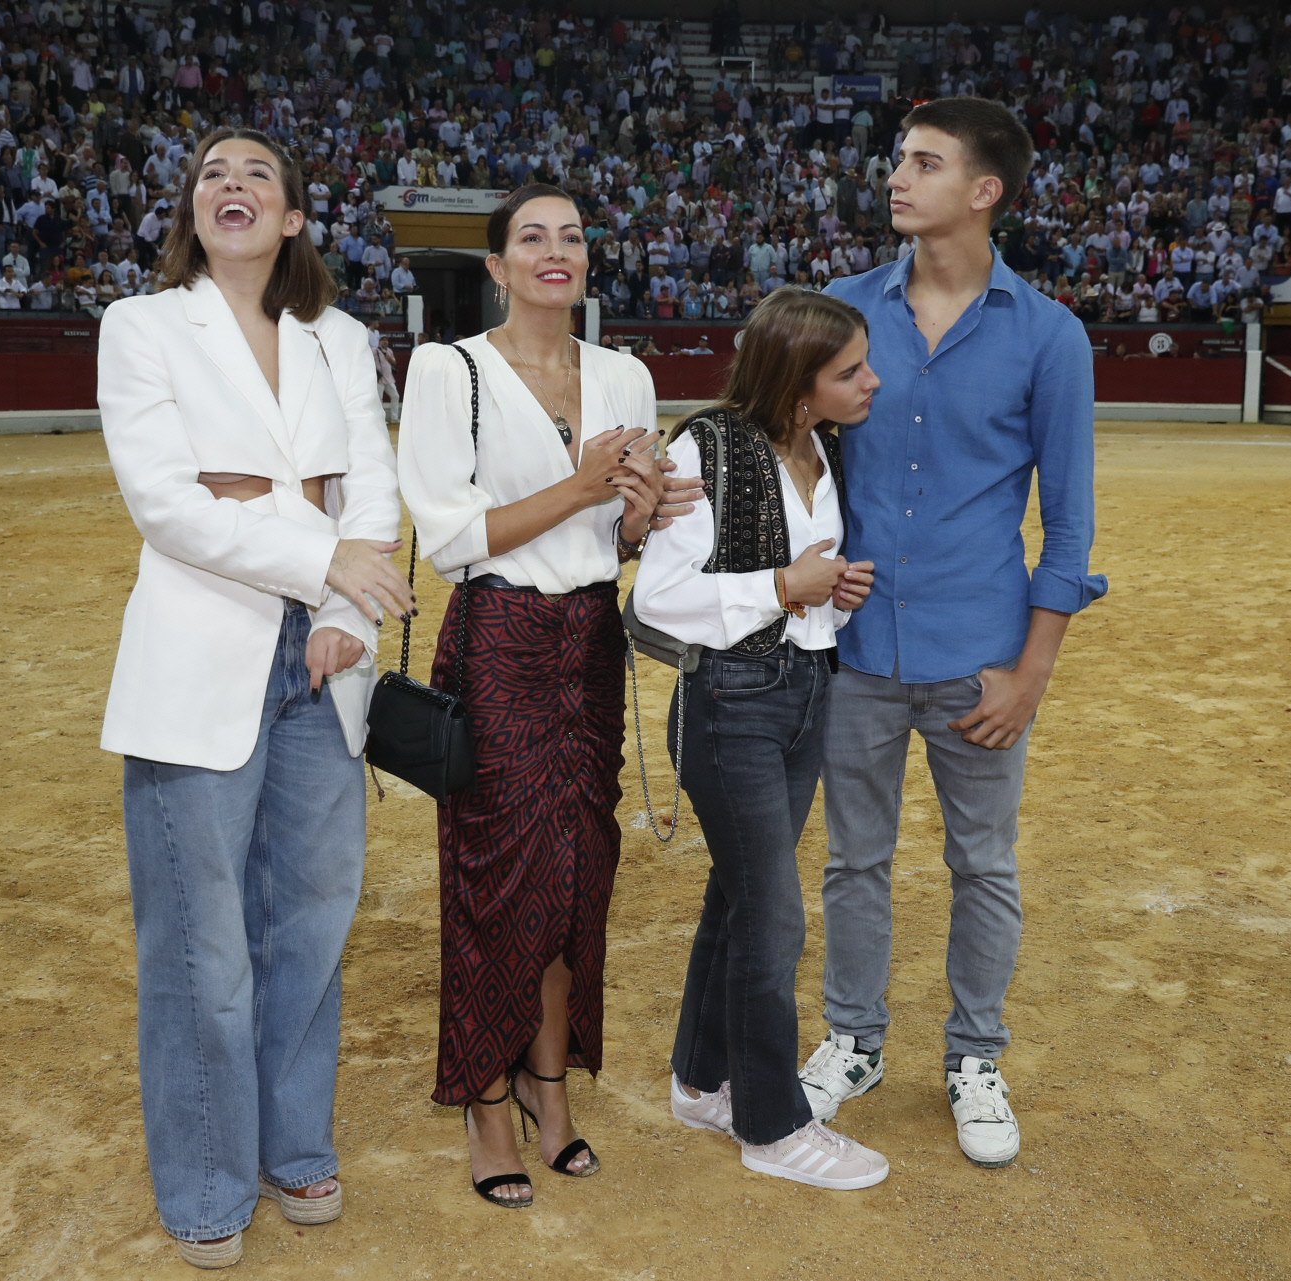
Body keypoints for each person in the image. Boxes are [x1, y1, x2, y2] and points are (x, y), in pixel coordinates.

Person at [95, 126, 412, 1271]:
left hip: (324, 663)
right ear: (192, 212)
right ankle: (208, 1185)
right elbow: (168, 507)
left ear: (290, 220)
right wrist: (318, 543)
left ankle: (291, 1145)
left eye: (259, 176)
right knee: (201, 950)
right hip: (199, 661)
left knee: (312, 930)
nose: (232, 185)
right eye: (212, 175)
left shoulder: (340, 337)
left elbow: (369, 491)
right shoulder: (140, 327)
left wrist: (338, 605)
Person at [812, 97, 1107, 1169]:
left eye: (925, 163)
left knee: (984, 868)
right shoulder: (837, 310)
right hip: (850, 652)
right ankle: (853, 1040)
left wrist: (1031, 672)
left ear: (984, 193)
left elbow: (1068, 524)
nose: (898, 175)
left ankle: (976, 1056)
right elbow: (779, 460)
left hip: (982, 657)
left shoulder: (1051, 335)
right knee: (854, 863)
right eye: (898, 157)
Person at [397, 183, 698, 1210]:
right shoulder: (450, 370)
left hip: (590, 640)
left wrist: (643, 514)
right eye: (532, 238)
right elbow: (449, 540)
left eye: (571, 236)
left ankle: (547, 1083)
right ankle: (485, 1099)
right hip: (499, 639)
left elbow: (611, 544)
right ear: (498, 266)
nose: (555, 251)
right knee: (502, 872)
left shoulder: (626, 374)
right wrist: (580, 488)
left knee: (580, 873)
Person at [633, 288, 888, 1189]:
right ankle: (772, 1125)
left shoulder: (826, 446)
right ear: (799, 379)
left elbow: (802, 584)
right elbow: (653, 601)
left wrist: (823, 592)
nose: (871, 381)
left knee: (739, 899)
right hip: (732, 702)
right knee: (773, 916)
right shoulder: (706, 447)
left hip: (805, 691)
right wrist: (783, 585)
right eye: (850, 369)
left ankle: (702, 1079)